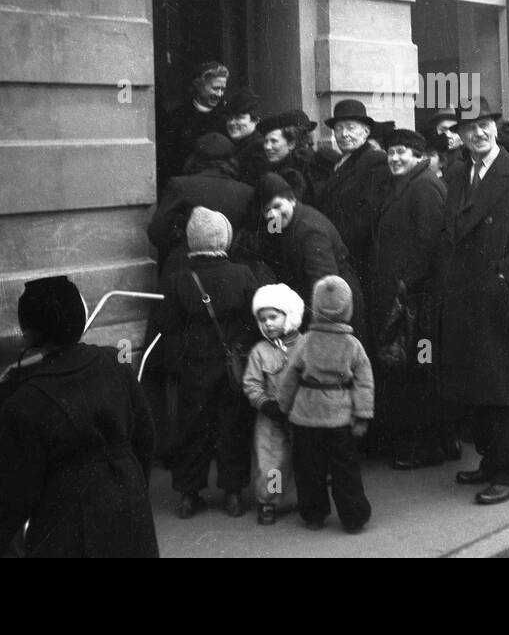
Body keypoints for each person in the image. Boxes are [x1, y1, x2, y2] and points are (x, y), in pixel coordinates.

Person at [0, 276, 158, 557]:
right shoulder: (114, 363)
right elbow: (145, 437)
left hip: (68, 521)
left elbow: (14, 492)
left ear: (29, 332)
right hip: (128, 503)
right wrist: (133, 487)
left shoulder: (25, 401)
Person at [435, 99, 509, 506]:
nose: (478, 134)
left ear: (496, 127)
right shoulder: (456, 173)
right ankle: (490, 462)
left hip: (499, 300)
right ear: (461, 134)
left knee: (504, 389)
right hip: (464, 300)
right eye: (469, 128)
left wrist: (504, 277)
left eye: (484, 125)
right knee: (477, 388)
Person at [159, 208, 257, 520]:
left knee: (192, 428)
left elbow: (168, 325)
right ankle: (232, 494)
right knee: (233, 426)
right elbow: (252, 320)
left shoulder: (178, 280)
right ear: (223, 239)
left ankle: (189, 495)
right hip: (232, 365)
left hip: (194, 366)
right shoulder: (242, 274)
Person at [365, 128, 449, 469]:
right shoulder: (405, 184)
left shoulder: (424, 186)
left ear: (418, 155)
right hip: (407, 297)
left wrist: (405, 283)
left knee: (420, 369)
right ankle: (434, 442)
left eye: (402, 152)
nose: (395, 158)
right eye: (391, 153)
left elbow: (430, 243)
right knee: (411, 369)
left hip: (418, 300)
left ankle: (427, 446)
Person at [277, 276, 374, 533]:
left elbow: (291, 375)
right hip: (340, 417)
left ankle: (314, 514)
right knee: (346, 471)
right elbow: (364, 382)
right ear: (348, 308)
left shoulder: (305, 342)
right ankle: (353, 517)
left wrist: (283, 406)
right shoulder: (353, 345)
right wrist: (362, 415)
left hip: (306, 415)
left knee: (309, 470)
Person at [254, 172, 366, 336]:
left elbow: (325, 285)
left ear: (292, 200)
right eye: (267, 210)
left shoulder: (310, 231)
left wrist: (316, 328)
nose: (273, 214)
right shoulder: (281, 221)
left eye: (277, 206)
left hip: (335, 309)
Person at [147, 132, 253, 280]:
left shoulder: (180, 185)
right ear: (231, 161)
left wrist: (180, 240)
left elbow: (157, 233)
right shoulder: (246, 192)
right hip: (229, 275)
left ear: (194, 159)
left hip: (183, 273)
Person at [242, 282, 306, 526]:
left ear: (288, 315)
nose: (268, 323)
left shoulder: (305, 345)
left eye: (274, 317)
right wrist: (264, 403)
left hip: (302, 414)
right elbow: (251, 383)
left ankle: (308, 498)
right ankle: (269, 502)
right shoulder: (260, 351)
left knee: (306, 459)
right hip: (271, 416)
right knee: (272, 462)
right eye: (263, 319)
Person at [314, 99, 389, 300]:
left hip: (356, 258)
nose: (344, 134)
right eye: (338, 129)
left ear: (365, 132)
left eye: (351, 128)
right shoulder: (340, 163)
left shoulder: (374, 162)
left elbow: (369, 215)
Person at [159, 61, 230, 187]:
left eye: (222, 89)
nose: (219, 94)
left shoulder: (228, 117)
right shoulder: (177, 117)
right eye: (215, 88)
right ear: (198, 85)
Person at [257, 109, 320, 205]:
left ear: (291, 143)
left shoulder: (294, 173)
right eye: (266, 142)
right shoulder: (303, 162)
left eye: (274, 141)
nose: (267, 147)